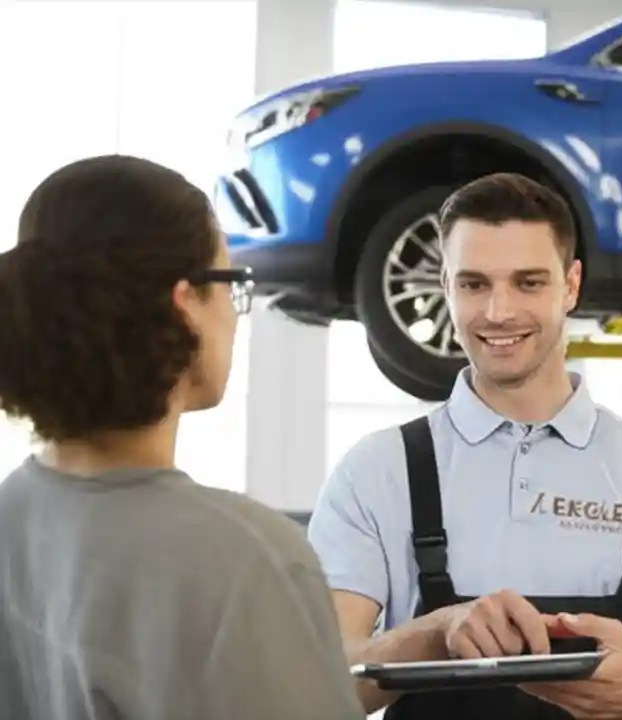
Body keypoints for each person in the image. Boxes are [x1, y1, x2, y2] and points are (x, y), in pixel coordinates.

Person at [309, 172, 622, 719]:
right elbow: (317, 689)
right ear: (446, 286)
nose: (499, 312)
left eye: (528, 282)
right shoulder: (377, 471)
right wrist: (437, 632)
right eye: (474, 284)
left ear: (570, 285)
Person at [0, 155, 365, 720]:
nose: (235, 314)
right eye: (230, 282)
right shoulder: (245, 559)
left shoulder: (13, 517)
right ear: (185, 305)